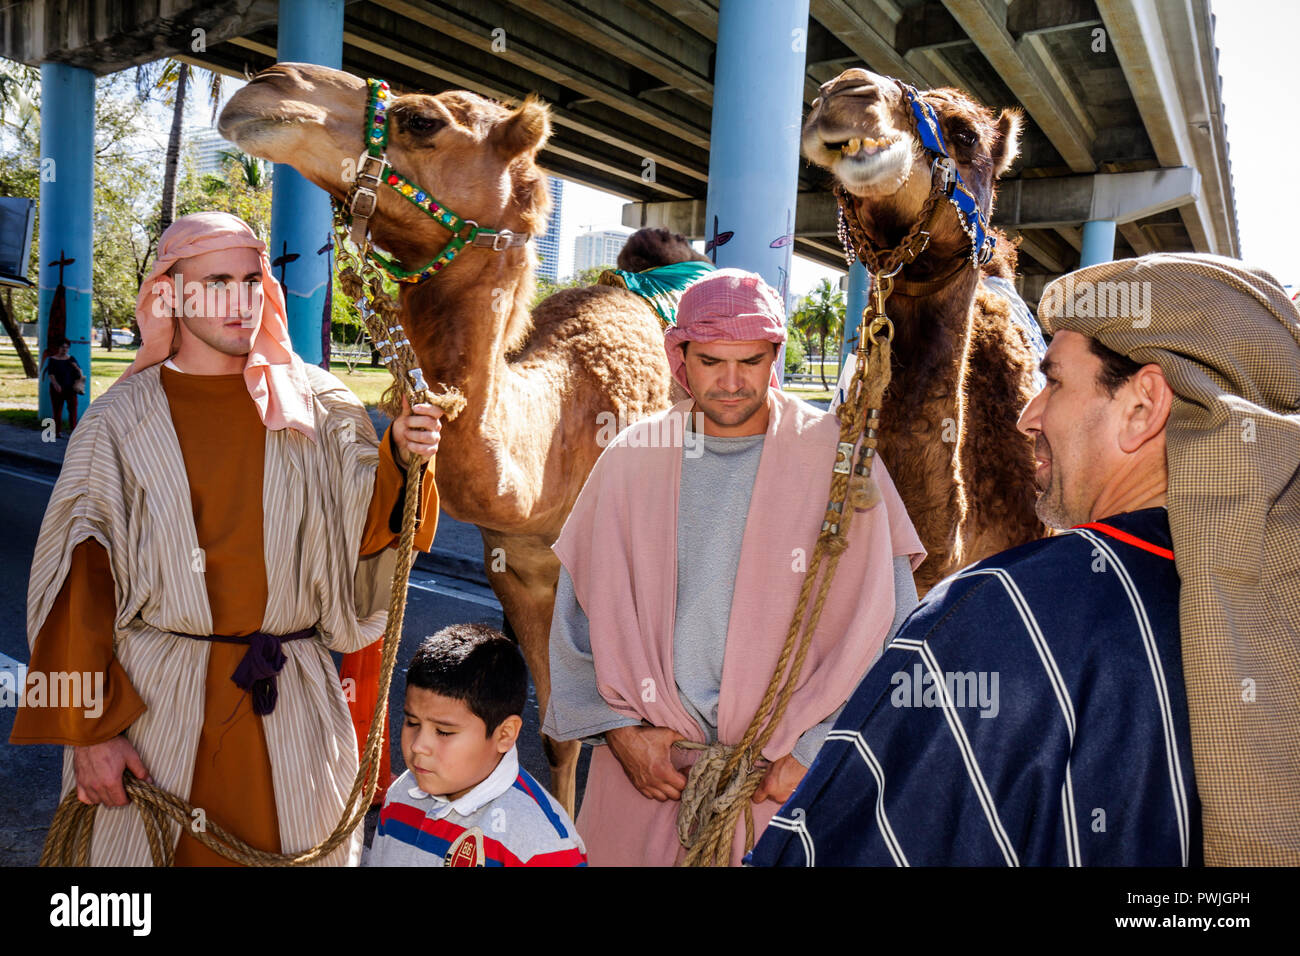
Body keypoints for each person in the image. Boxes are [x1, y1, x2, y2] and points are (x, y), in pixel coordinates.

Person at [749, 252, 1300, 867]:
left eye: (1056, 381)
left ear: (1142, 407)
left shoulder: (1000, 614)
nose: (1028, 414)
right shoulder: (1274, 605)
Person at [10, 211, 444, 866]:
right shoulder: (117, 424)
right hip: (156, 717)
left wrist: (404, 459)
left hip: (293, 711)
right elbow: (78, 587)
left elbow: (368, 532)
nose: (240, 299)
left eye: (251, 280)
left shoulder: (319, 407)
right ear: (172, 293)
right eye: (217, 281)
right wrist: (92, 733)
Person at [542, 268, 925, 866]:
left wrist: (818, 752)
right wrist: (619, 735)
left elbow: (897, 627)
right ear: (680, 357)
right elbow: (573, 621)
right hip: (648, 777)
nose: (729, 382)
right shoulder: (630, 458)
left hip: (783, 788)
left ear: (774, 354)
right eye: (711, 361)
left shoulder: (842, 463)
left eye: (750, 361)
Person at [366, 624, 587, 866]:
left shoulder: (541, 843)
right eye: (412, 722)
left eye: (443, 731)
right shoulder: (401, 794)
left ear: (505, 734)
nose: (419, 746)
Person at [41, 336, 83, 439]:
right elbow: (51, 374)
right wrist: (56, 384)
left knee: (73, 410)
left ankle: (73, 431)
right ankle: (57, 431)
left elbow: (80, 373)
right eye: (62, 347)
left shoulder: (71, 359)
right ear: (58, 348)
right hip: (57, 389)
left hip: (71, 389)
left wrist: (76, 367)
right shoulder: (52, 360)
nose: (64, 349)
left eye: (66, 347)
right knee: (57, 411)